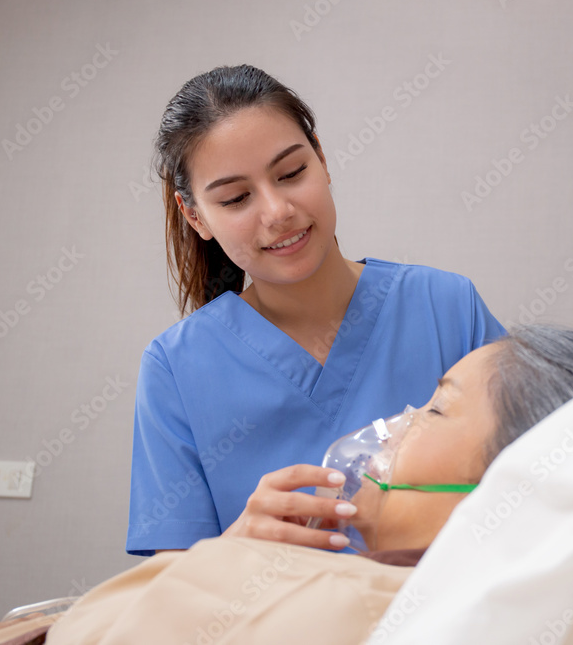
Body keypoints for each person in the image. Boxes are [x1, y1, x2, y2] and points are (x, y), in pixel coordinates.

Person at [0, 326, 573, 645]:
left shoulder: (351, 605)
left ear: (516, 480)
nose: (394, 420)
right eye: (234, 195)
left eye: (434, 405)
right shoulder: (176, 359)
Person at [127, 64, 506, 556]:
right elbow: (173, 596)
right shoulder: (174, 369)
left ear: (322, 159)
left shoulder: (448, 309)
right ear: (195, 215)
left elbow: (542, 483)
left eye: (291, 173)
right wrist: (233, 548)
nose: (277, 211)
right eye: (237, 198)